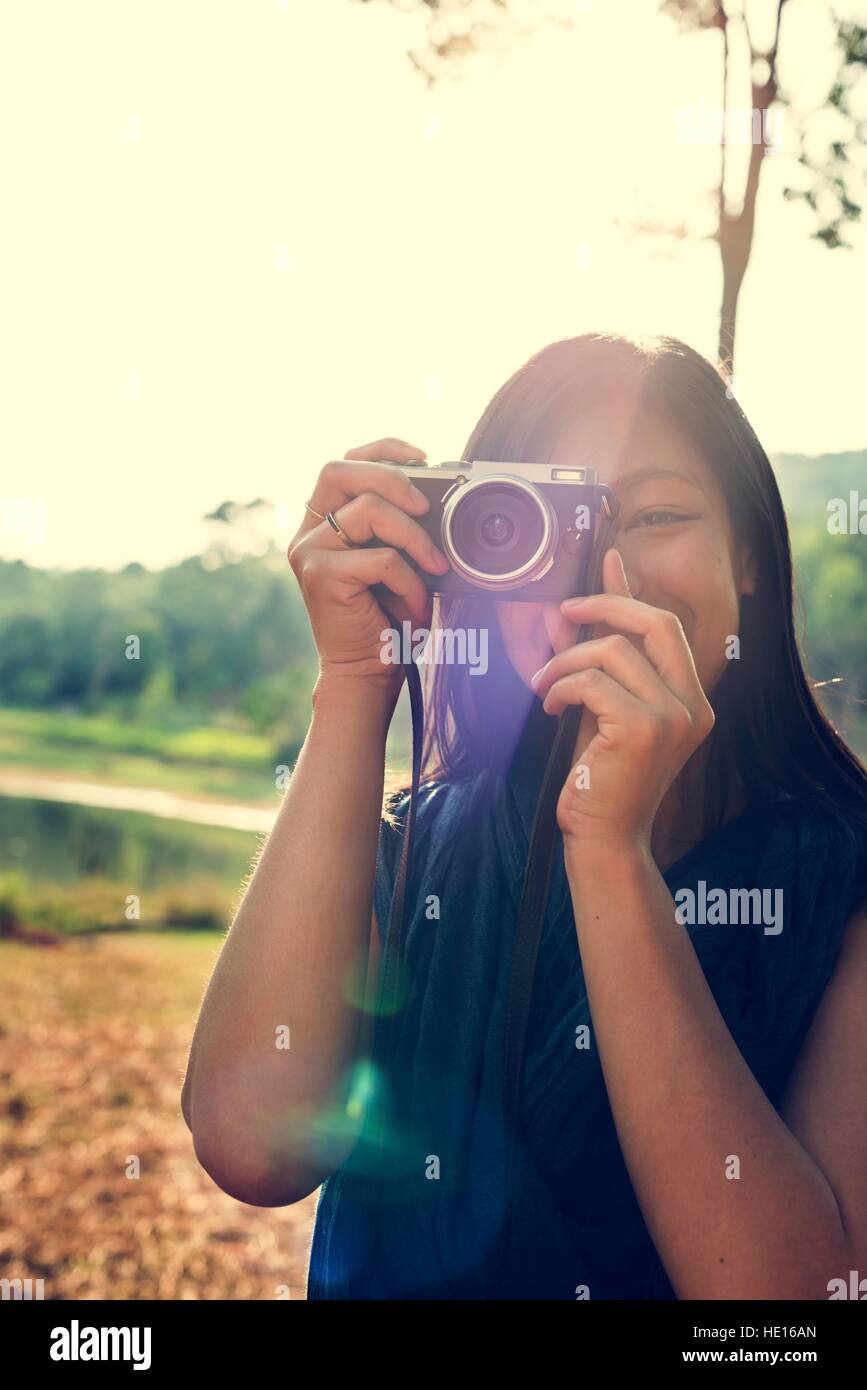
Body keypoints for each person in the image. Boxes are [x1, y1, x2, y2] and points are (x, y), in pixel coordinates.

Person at [182, 333, 867, 1300]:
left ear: (748, 556)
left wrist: (607, 849)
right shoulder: (419, 850)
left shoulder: (844, 883)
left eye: (657, 513)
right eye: (533, 526)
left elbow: (791, 1308)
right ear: (465, 566)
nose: (604, 566)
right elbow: (251, 1147)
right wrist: (352, 684)